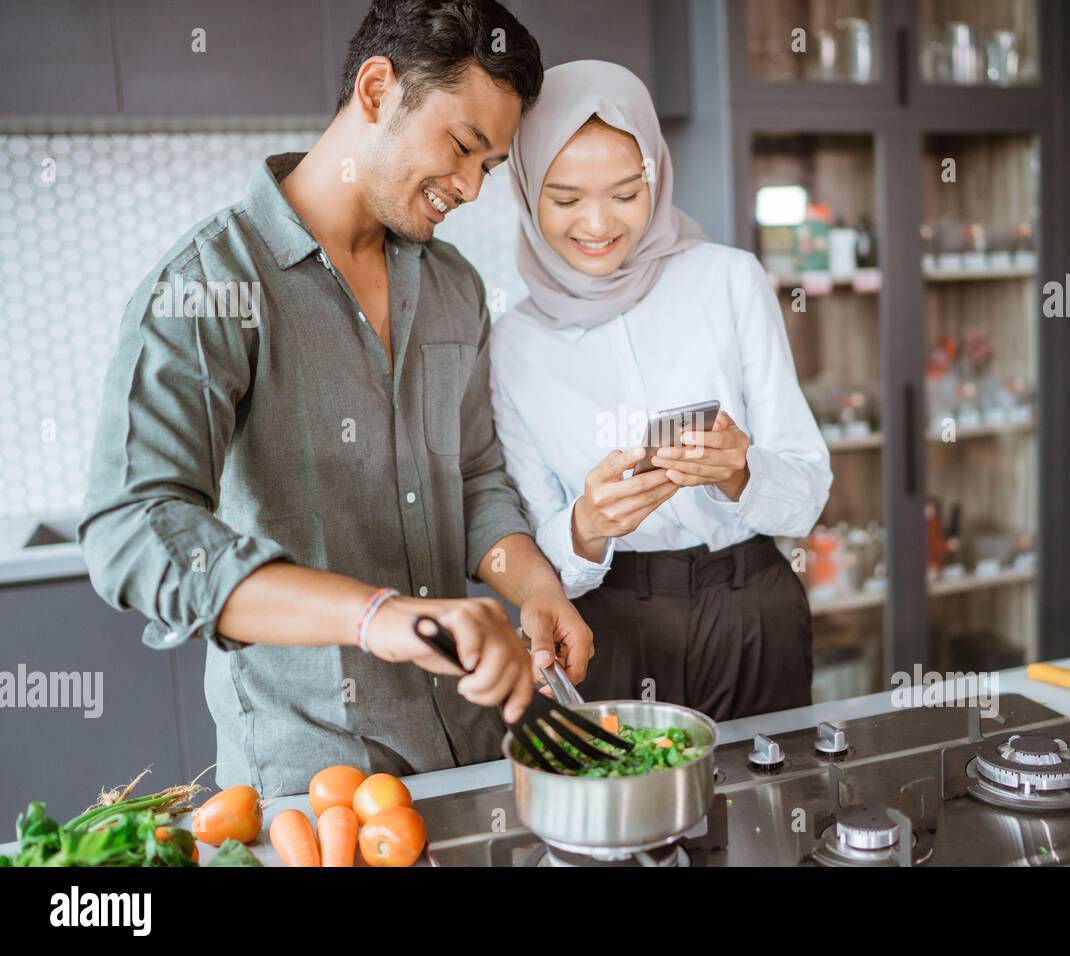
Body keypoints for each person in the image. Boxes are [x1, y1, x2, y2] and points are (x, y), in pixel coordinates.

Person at [78, 0, 593, 797]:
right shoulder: (211, 285)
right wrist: (376, 615)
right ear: (377, 88)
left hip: (474, 749)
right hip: (317, 780)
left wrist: (535, 586)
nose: (469, 187)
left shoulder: (454, 287)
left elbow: (478, 477)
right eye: (462, 147)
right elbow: (134, 531)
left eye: (488, 166)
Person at [490, 60, 832, 720]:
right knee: (625, 814)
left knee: (769, 810)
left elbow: (807, 495)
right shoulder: (513, 342)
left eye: (626, 192)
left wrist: (741, 472)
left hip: (750, 608)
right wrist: (587, 526)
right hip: (606, 627)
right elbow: (537, 541)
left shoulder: (729, 281)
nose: (599, 225)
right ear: (528, 193)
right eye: (565, 200)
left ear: (657, 173)